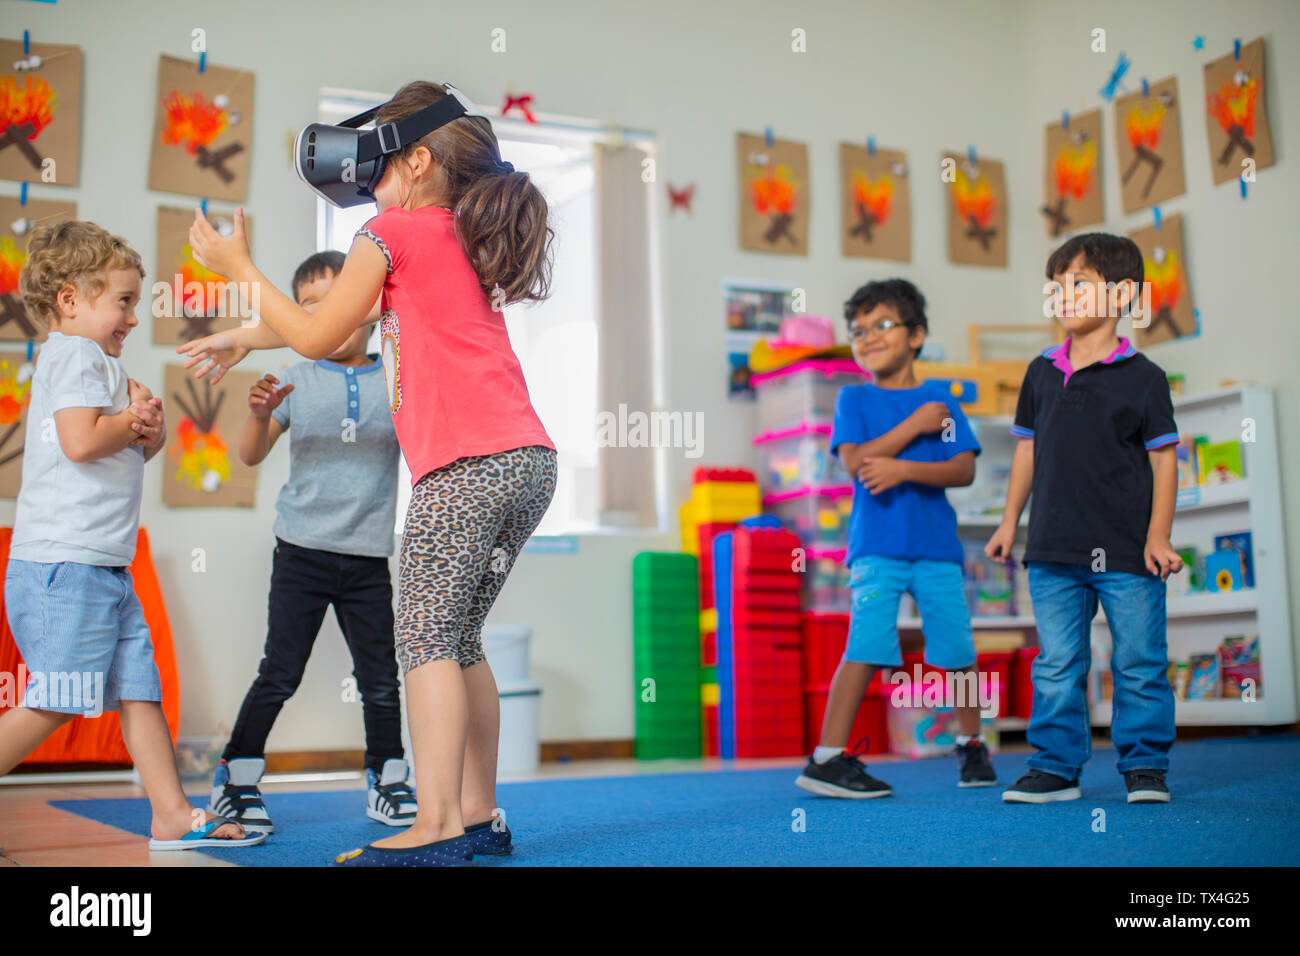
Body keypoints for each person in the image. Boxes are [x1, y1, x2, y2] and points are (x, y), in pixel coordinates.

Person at [178, 80, 556, 866]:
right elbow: (337, 324)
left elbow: (317, 336)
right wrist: (249, 336)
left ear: (415, 162)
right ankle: (481, 817)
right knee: (459, 641)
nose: (367, 183)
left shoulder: (391, 229)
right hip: (526, 461)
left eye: (378, 163)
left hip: (466, 467)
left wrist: (239, 264)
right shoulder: (454, 234)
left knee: (422, 641)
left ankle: (438, 824)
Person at [0, 219, 263, 851]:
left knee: (140, 691)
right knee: (60, 697)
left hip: (103, 568)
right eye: (121, 301)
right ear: (70, 299)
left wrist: (147, 428)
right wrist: (125, 420)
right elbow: (83, 441)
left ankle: (170, 813)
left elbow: (117, 451)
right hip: (65, 568)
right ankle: (171, 811)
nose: (131, 318)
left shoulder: (97, 365)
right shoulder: (74, 354)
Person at [207, 251, 413, 833]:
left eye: (336, 305)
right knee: (281, 671)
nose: (324, 320)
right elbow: (250, 455)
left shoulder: (396, 377)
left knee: (380, 676)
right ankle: (236, 779)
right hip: (302, 551)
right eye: (308, 310)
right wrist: (258, 414)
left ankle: (387, 778)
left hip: (369, 556)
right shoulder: (296, 375)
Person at [988, 232, 1181, 805]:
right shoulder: (1041, 372)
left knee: (1139, 662)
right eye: (1058, 286)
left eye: (1079, 284)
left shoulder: (1144, 378)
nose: (1064, 296)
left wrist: (1158, 534)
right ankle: (1055, 766)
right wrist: (1007, 522)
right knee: (1057, 664)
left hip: (1126, 550)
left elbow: (1164, 458)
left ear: (1122, 295)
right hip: (1051, 549)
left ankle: (1145, 765)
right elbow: (1025, 450)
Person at [795, 279, 994, 799]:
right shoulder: (853, 398)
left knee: (958, 648)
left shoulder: (942, 401)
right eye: (858, 330)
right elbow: (857, 463)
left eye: (882, 325)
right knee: (865, 644)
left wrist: (903, 468)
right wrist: (913, 427)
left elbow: (962, 470)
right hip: (876, 551)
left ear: (917, 334)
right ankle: (827, 757)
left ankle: (972, 743)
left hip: (937, 551)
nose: (868, 337)